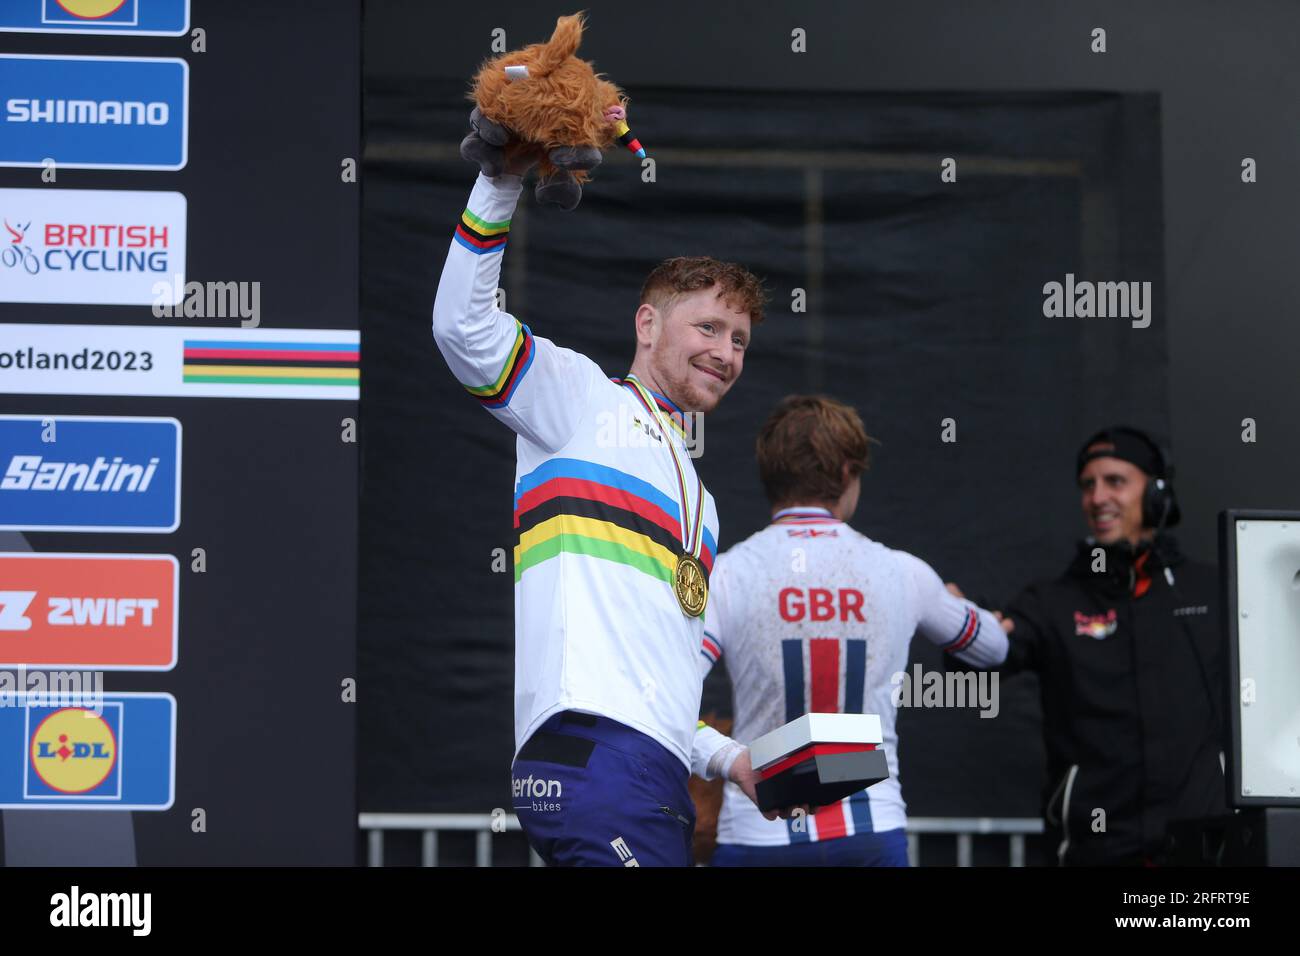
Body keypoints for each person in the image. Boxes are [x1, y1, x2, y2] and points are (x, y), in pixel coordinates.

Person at [432, 128, 792, 866]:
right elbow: (461, 328)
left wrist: (731, 762)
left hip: (648, 768)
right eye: (710, 327)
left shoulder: (701, 500)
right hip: (593, 752)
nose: (726, 353)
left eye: (741, 340)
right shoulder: (578, 400)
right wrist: (501, 181)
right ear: (648, 323)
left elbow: (657, 680)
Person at [699, 395, 1009, 866]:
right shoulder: (902, 573)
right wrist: (965, 609)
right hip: (870, 837)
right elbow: (994, 649)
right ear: (847, 473)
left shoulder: (726, 575)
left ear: (771, 476)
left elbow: (664, 702)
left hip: (758, 837)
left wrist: (724, 759)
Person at [952, 425, 1227, 865]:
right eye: (1088, 485)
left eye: (1115, 481)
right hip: (1094, 851)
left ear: (1157, 495)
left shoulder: (1213, 591)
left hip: (1202, 852)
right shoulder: (1054, 602)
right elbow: (987, 658)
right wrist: (961, 622)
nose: (1098, 498)